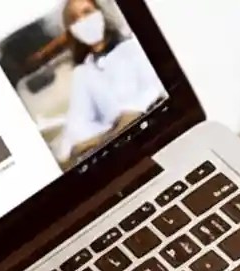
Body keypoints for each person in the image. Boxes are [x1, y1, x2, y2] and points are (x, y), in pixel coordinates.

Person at [57, 0, 164, 164]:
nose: (83, 21)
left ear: (100, 13)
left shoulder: (133, 48)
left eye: (87, 12)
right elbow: (78, 123)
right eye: (74, 19)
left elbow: (154, 89)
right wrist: (110, 134)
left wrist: (129, 116)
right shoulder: (83, 73)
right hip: (118, 152)